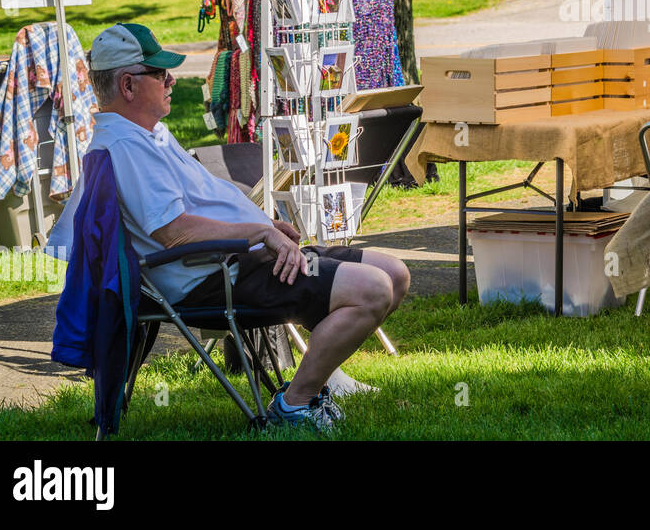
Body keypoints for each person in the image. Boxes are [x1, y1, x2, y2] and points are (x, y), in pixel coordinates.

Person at [61, 22, 410, 430]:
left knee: (395, 274)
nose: (171, 79)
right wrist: (260, 233)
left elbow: (199, 201)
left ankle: (321, 376)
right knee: (373, 289)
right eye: (159, 73)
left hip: (238, 259)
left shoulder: (144, 134)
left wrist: (266, 226)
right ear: (127, 85)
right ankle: (295, 406)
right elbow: (175, 232)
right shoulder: (125, 146)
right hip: (214, 274)